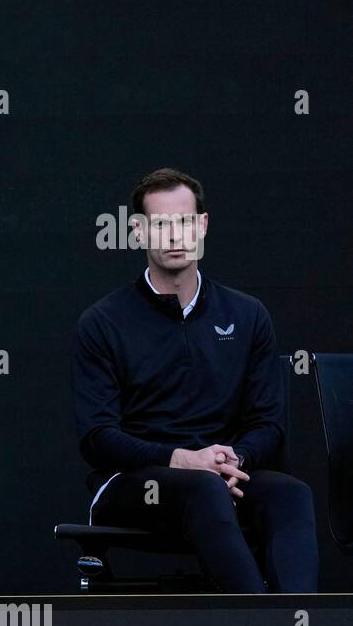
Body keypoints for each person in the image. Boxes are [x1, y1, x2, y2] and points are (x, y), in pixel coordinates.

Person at [70, 167, 319, 593]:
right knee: (204, 489)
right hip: (136, 484)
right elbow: (97, 437)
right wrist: (183, 459)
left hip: (225, 476)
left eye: (184, 222)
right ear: (138, 232)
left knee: (290, 494)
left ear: (202, 225)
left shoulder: (247, 314)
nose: (174, 236)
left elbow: (269, 423)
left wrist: (233, 460)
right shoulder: (102, 322)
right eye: (161, 225)